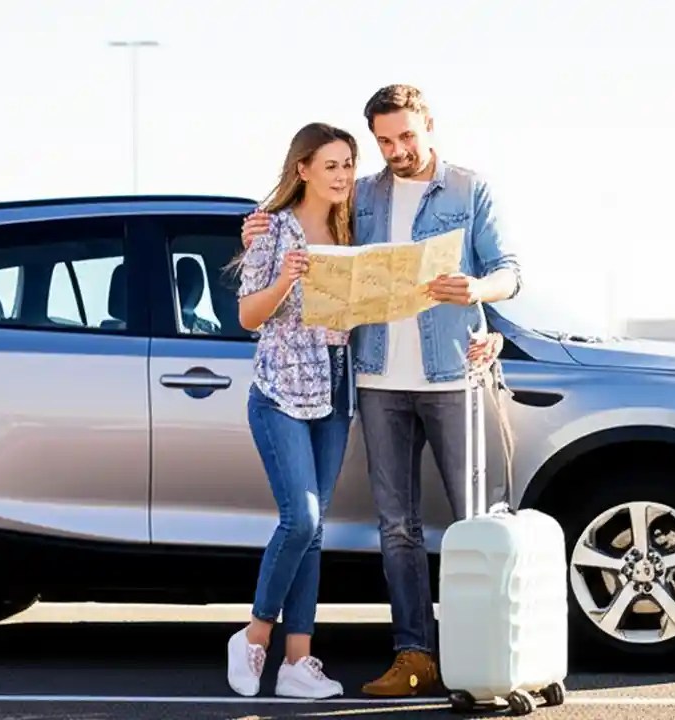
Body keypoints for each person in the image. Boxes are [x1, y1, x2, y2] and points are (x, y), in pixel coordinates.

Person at [240, 84, 522, 698]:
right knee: (397, 528)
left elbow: (508, 272)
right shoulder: (362, 193)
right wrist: (257, 231)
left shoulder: (470, 189)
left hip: (449, 377)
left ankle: (482, 658)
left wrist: (481, 303)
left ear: (428, 125)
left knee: (474, 522)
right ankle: (413, 655)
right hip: (373, 381)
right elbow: (311, 234)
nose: (395, 150)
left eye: (405, 137)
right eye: (384, 141)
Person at [225, 121, 360, 700]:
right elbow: (248, 317)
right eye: (330, 165)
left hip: (335, 390)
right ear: (302, 169)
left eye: (349, 164)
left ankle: (297, 663)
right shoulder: (271, 228)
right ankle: (254, 636)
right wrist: (284, 277)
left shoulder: (354, 230)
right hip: (280, 389)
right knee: (300, 519)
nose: (342, 175)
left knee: (315, 531)